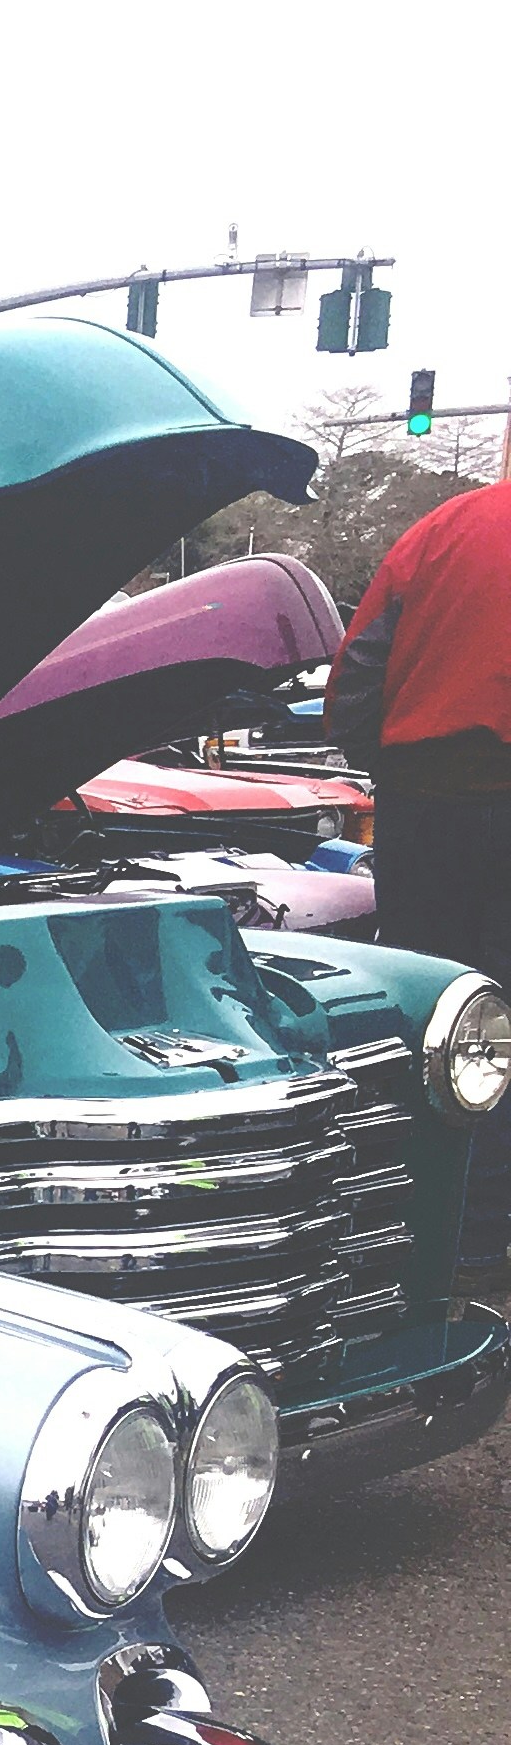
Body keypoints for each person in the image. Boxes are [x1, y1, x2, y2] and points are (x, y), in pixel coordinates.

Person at [329, 471, 511, 1264]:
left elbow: (355, 680)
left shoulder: (438, 533)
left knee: (429, 1011)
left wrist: (393, 771)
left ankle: (419, 1214)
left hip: (426, 806)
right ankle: (487, 1227)